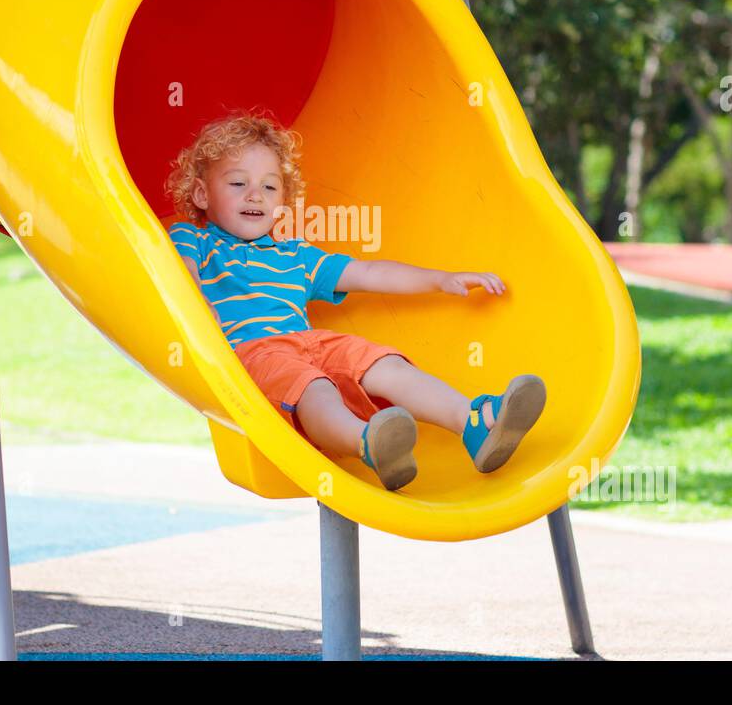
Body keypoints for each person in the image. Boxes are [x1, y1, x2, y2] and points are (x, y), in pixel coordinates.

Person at [165, 111, 546, 491]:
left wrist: (441, 279)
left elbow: (370, 273)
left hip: (313, 343)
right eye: (237, 183)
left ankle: (475, 422)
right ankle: (367, 441)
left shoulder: (295, 255)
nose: (255, 195)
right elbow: (184, 281)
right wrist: (205, 319)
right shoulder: (195, 240)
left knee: (384, 363)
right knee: (315, 388)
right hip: (256, 354)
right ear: (202, 194)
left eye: (270, 187)